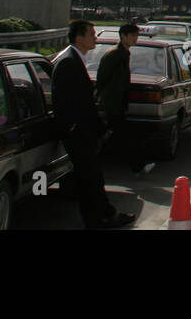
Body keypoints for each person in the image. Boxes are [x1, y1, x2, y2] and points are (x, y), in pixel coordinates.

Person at [53, 20, 135, 228]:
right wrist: (73, 128)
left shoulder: (75, 59)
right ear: (79, 38)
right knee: (90, 177)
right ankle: (102, 217)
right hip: (78, 133)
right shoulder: (68, 62)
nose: (95, 38)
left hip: (85, 131)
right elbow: (64, 102)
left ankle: (99, 217)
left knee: (91, 178)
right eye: (91, 34)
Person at [95, 23, 155, 178]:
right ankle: (138, 167)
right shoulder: (114, 55)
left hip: (118, 104)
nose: (136, 38)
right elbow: (102, 80)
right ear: (123, 36)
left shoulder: (124, 53)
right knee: (125, 137)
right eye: (133, 35)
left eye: (137, 35)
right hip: (111, 104)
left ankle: (136, 167)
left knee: (116, 137)